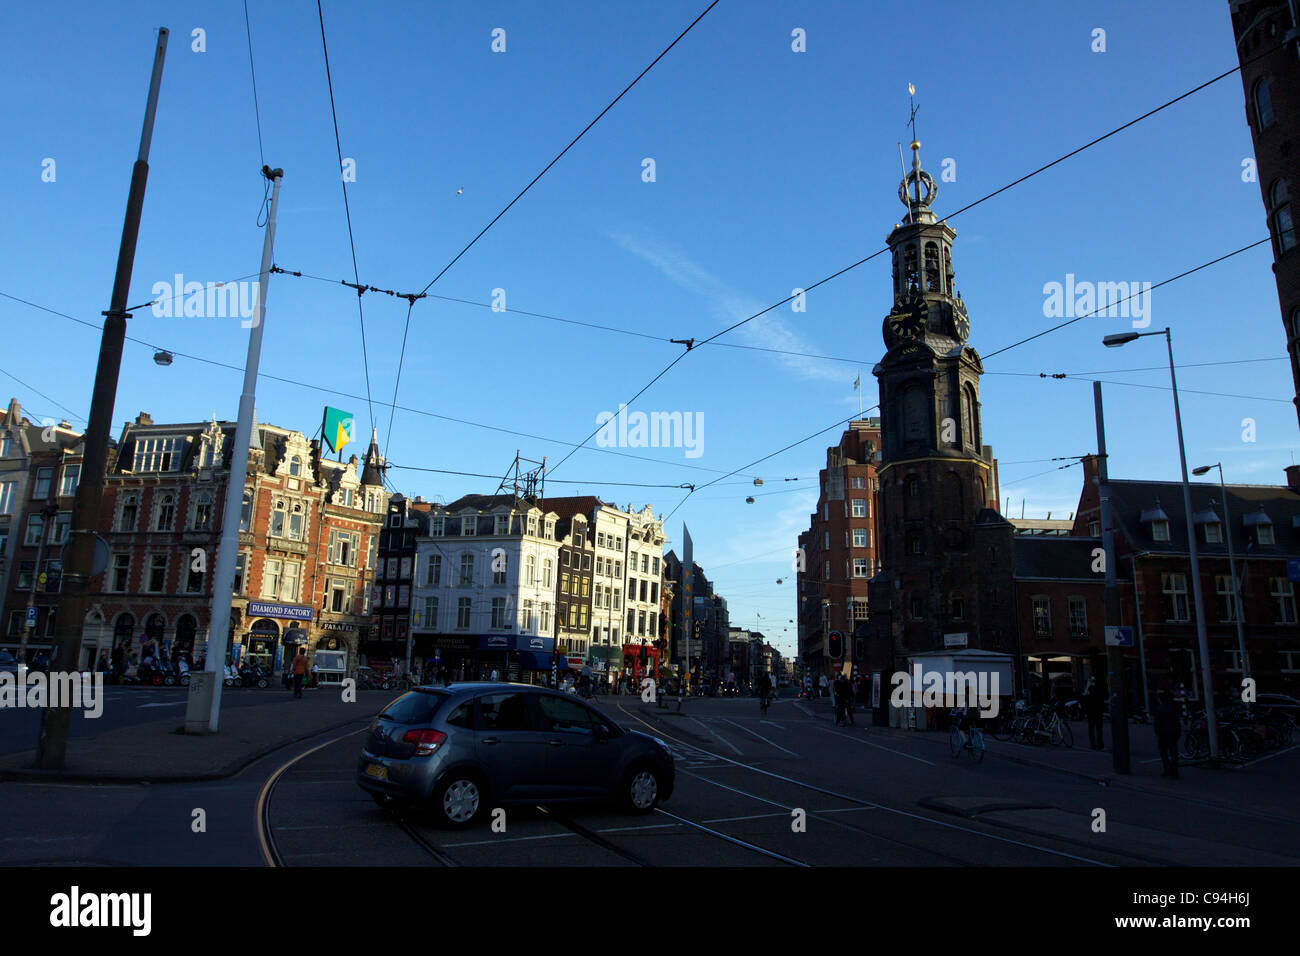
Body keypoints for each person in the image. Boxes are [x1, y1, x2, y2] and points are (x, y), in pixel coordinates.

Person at [1154, 690, 1181, 779]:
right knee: (1173, 752)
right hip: (1173, 734)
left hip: (1163, 734)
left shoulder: (1160, 709)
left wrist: (1158, 732)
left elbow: (1157, 723)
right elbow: (1177, 721)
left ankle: (1167, 769)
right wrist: (1178, 732)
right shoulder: (1174, 708)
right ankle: (1175, 770)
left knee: (1164, 753)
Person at [1084, 679, 1106, 750]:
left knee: (1091, 729)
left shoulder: (1088, 695)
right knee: (1099, 729)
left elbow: (1086, 705)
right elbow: (1102, 703)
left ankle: (1093, 745)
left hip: (1091, 714)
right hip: (1098, 713)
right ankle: (1100, 745)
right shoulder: (1099, 694)